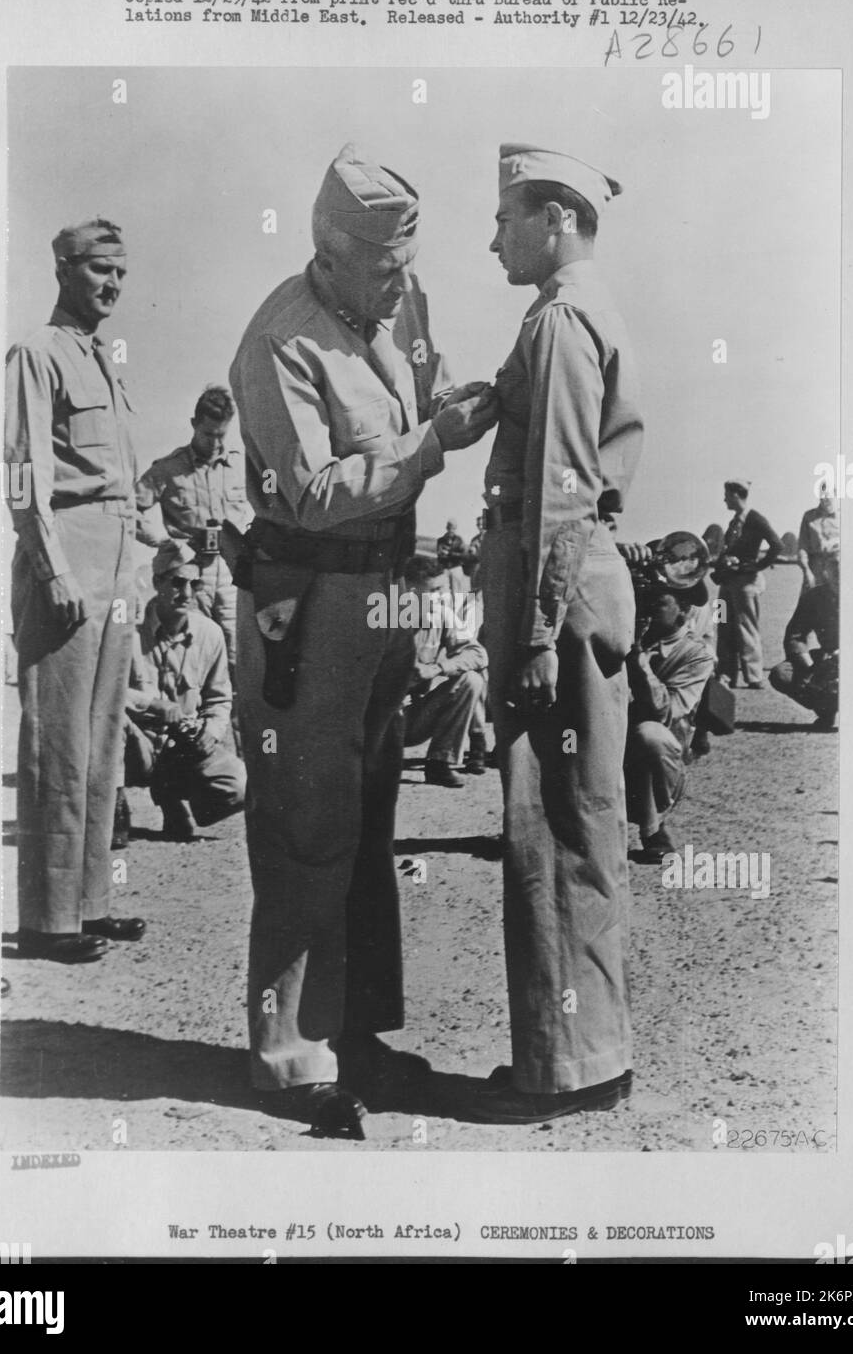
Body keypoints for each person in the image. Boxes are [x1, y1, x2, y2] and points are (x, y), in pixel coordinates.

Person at [228, 143, 496, 1137]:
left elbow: (425, 380)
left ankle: (357, 1030)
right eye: (384, 266)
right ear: (329, 251)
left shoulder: (399, 298)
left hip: (388, 585)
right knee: (306, 823)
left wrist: (458, 401)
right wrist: (430, 447)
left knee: (370, 813)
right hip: (308, 597)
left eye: (405, 263)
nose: (400, 282)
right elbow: (314, 492)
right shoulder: (279, 344)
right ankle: (289, 1050)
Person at [472, 143, 644, 1124]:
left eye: (505, 217)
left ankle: (565, 1064)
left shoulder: (560, 320)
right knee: (585, 821)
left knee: (548, 825)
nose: (493, 235)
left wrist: (535, 631)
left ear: (555, 217)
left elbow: (561, 492)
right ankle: (587, 1053)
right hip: (579, 594)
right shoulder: (577, 312)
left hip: (558, 601)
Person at [5, 218, 145, 964]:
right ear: (63, 269)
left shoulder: (104, 361)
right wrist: (53, 569)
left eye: (120, 273)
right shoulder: (38, 353)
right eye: (99, 270)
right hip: (67, 555)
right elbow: (25, 472)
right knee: (57, 743)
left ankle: (89, 904)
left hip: (116, 560)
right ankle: (46, 919)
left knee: (100, 746)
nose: (112, 285)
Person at [122, 541, 246, 839]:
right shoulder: (129, 632)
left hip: (182, 748)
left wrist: (209, 734)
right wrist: (153, 706)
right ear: (156, 583)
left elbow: (219, 698)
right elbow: (110, 693)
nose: (187, 594)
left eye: (195, 584)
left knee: (240, 785)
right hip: (139, 744)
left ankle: (173, 797)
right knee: (110, 725)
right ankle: (115, 810)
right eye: (177, 583)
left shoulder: (210, 633)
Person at [135, 385, 253, 680]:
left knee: (240, 662)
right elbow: (128, 511)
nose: (214, 443)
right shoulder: (168, 469)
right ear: (194, 425)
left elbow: (270, 506)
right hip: (187, 582)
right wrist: (166, 543)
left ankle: (235, 726)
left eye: (221, 435)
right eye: (207, 434)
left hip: (232, 580)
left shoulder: (243, 467)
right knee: (191, 660)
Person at [625, 582, 715, 861]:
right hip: (611, 741)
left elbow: (666, 712)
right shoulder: (626, 637)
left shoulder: (696, 654)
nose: (647, 609)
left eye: (658, 603)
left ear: (684, 611)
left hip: (659, 755)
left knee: (649, 734)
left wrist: (639, 664)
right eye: (644, 600)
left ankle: (653, 828)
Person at [401, 555, 488, 787]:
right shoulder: (382, 617)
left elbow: (478, 654)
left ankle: (440, 762)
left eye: (444, 589)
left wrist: (437, 668)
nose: (443, 597)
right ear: (408, 591)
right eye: (434, 590)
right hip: (376, 718)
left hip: (411, 719)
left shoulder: (441, 615)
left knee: (471, 680)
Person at [714, 478, 782, 688]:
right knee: (722, 623)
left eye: (726, 494)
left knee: (746, 628)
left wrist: (754, 567)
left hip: (745, 585)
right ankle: (726, 674)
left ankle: (754, 677)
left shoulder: (754, 519)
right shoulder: (734, 521)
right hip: (727, 583)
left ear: (736, 494)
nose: (724, 499)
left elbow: (776, 545)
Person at [769, 555, 839, 730]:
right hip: (828, 659)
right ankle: (826, 711)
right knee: (782, 674)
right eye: (834, 568)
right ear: (825, 571)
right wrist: (811, 669)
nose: (839, 573)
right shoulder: (814, 598)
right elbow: (795, 636)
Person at [797, 483, 839, 593]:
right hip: (815, 572)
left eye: (828, 495)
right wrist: (807, 571)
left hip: (837, 573)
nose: (824, 498)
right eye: (822, 495)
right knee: (809, 607)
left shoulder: (845, 517)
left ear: (836, 495)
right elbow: (803, 547)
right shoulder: (809, 517)